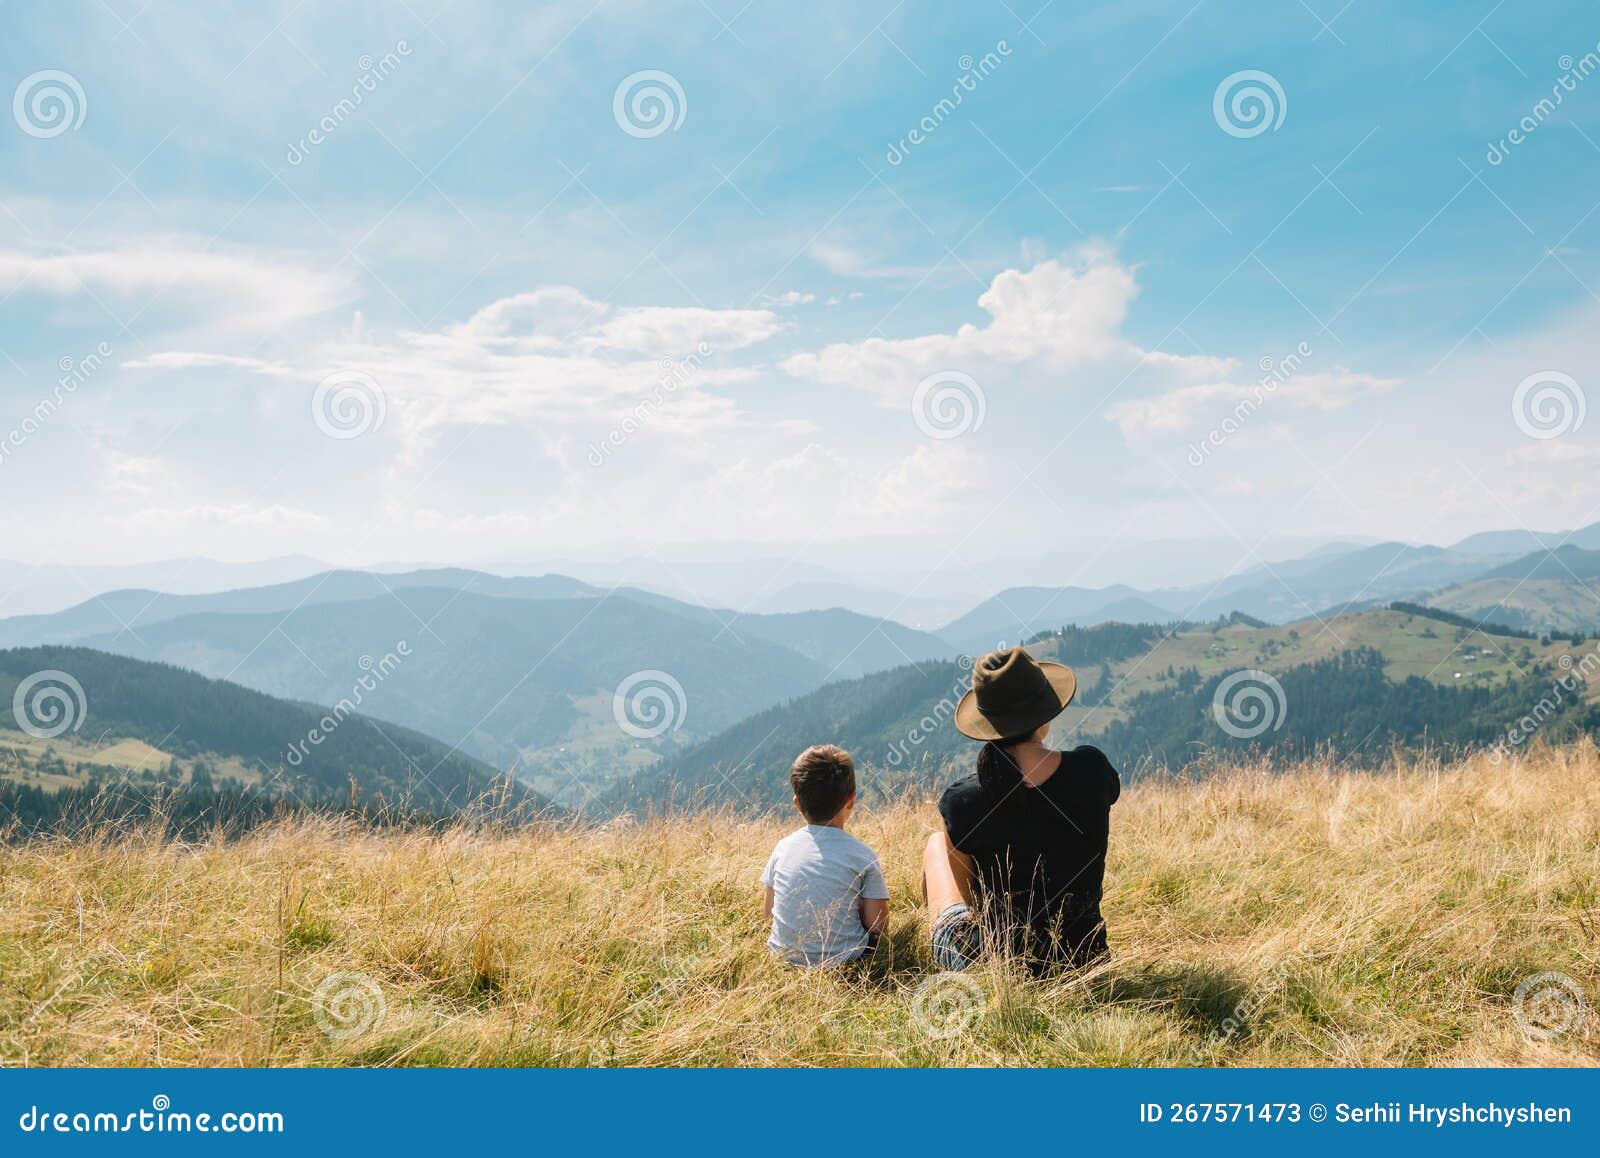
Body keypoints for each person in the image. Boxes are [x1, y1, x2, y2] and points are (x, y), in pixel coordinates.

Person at [923, 646, 1120, 973]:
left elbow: (968, 893)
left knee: (935, 845)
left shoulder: (964, 801)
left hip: (999, 967)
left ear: (987, 723)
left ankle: (954, 964)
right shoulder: (1092, 770)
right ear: (1045, 713)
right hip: (1085, 960)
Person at [761, 744, 890, 967]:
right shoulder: (863, 856)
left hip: (783, 959)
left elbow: (768, 916)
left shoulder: (782, 848)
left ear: (797, 804)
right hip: (846, 961)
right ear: (851, 800)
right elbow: (878, 926)